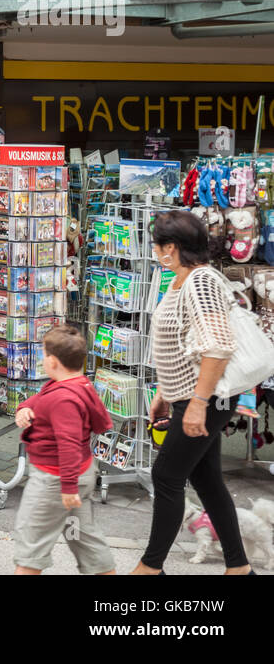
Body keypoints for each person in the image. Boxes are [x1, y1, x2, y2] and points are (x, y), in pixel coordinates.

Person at [132, 210, 251, 575]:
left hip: (206, 398)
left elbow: (218, 347)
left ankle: (150, 569)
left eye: (156, 244)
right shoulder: (179, 280)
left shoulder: (201, 281)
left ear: (171, 248)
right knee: (206, 479)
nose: (153, 250)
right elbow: (181, 344)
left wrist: (197, 403)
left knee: (166, 476)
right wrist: (165, 392)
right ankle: (239, 568)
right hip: (189, 395)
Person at [12, 325, 115, 575]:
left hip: (55, 480)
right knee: (83, 536)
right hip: (78, 475)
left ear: (53, 361)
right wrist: (25, 407)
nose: (42, 359)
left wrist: (67, 486)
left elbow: (67, 443)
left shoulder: (62, 399)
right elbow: (100, 422)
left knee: (31, 542)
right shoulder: (79, 386)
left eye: (43, 354)